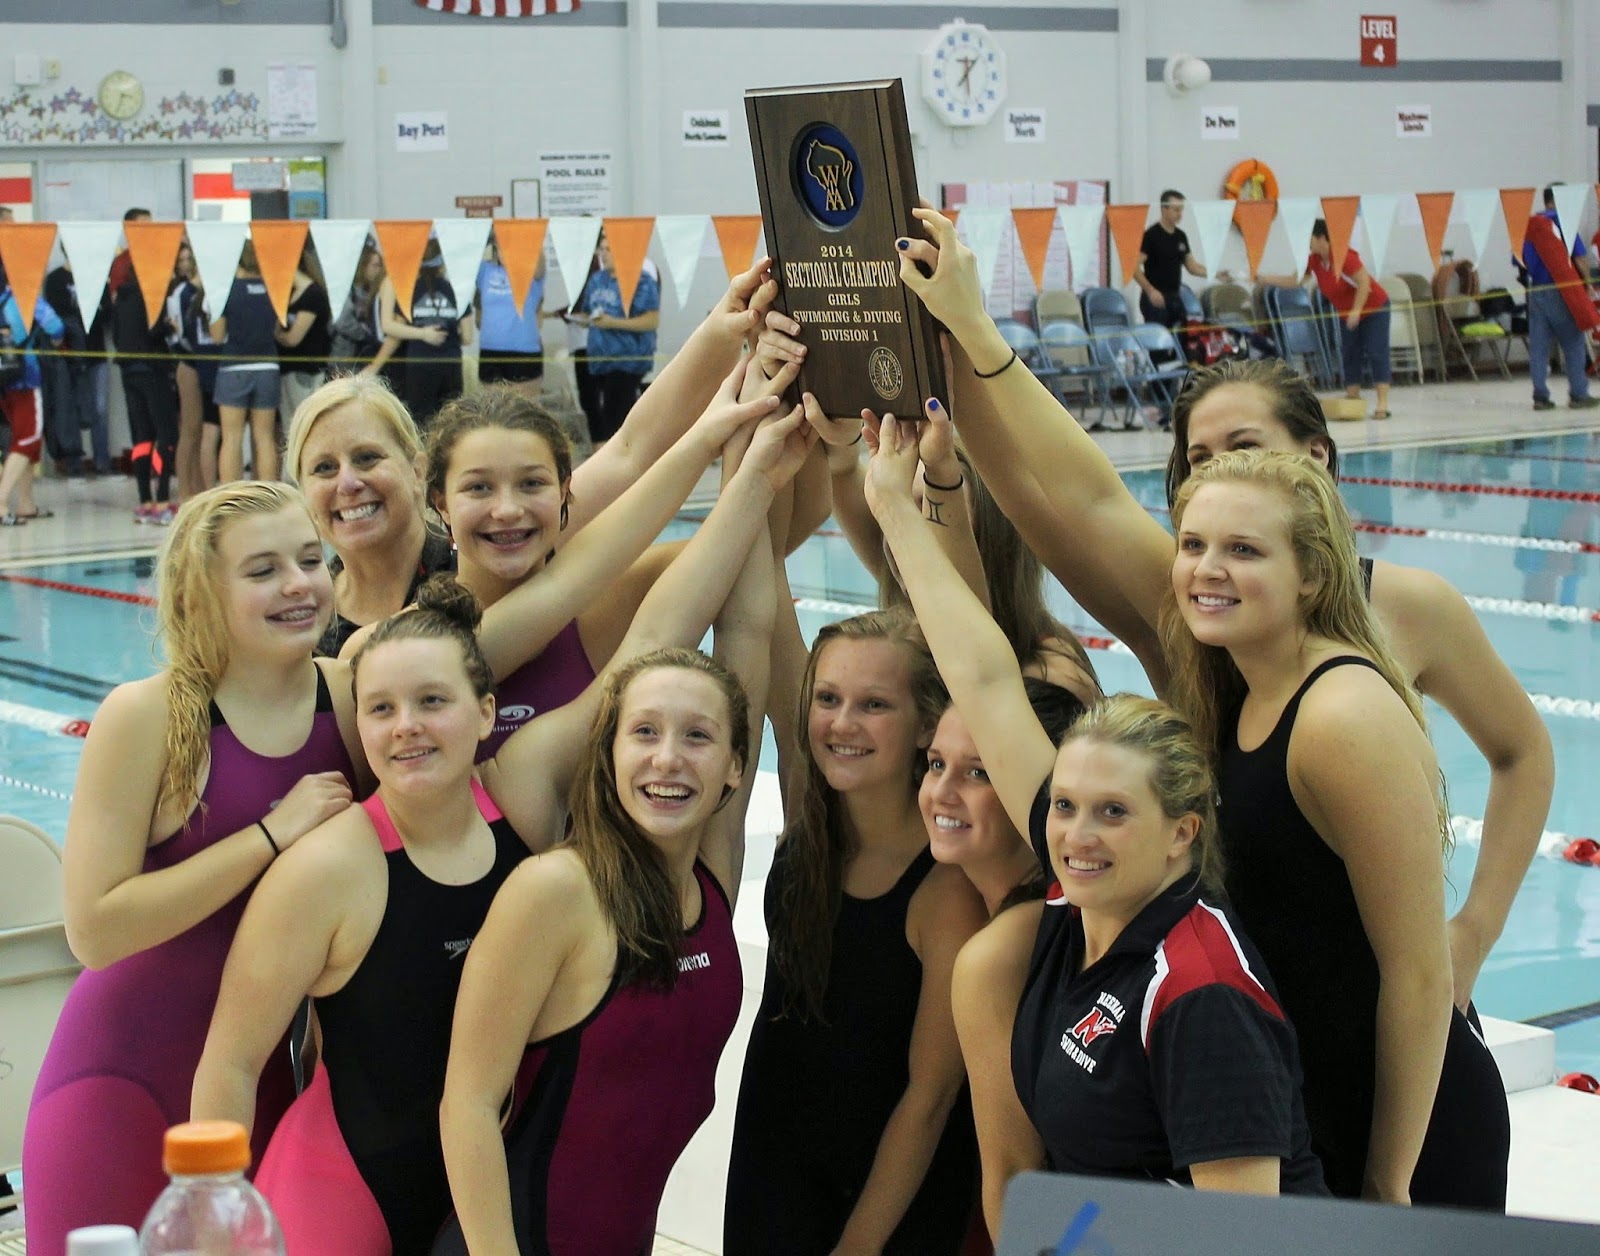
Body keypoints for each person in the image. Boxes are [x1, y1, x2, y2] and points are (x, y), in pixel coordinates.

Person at [895, 209, 1553, 1014]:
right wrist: (958, 350)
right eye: (1199, 459)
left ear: (1315, 457)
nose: (1222, 473)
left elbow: (1523, 752)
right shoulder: (1191, 607)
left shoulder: (1411, 609)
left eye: (1246, 446)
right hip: (1231, 1015)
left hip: (1382, 1015)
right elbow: (1065, 493)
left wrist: (1475, 930)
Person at [197, 399, 810, 1256]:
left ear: (487, 713)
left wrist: (750, 469)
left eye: (435, 703)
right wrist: (215, 1218)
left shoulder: (515, 793)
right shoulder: (329, 868)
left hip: (481, 1181)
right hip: (347, 1190)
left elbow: (657, 641)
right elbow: (230, 1061)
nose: (410, 727)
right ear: (356, 720)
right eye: (384, 709)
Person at [1163, 449, 1511, 1206]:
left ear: (1313, 576)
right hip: (1317, 1106)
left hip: (1403, 1132)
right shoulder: (1238, 688)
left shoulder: (1340, 715)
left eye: (1243, 550)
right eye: (1193, 544)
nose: (1207, 569)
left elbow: (1419, 974)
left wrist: (1389, 1182)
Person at [23, 482, 363, 1251]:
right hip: (115, 1088)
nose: (299, 584)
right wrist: (267, 838)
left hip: (261, 1092)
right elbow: (96, 930)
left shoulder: (349, 701)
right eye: (263, 569)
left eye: (311, 559)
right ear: (203, 592)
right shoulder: (149, 716)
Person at [287, 258, 800, 657]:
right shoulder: (308, 616)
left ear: (419, 471)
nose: (348, 482)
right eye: (324, 469)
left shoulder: (486, 545)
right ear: (301, 488)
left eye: (368, 457)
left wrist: (724, 326)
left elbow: (629, 449)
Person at [724, 580, 988, 1253]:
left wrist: (858, 1245)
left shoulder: (945, 891)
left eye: (874, 705)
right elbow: (762, 624)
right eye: (829, 699)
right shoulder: (810, 822)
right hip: (774, 1157)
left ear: (927, 723)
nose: (842, 724)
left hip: (886, 1190)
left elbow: (931, 1098)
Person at [1258, 218, 1392, 419]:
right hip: (1347, 313)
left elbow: (1364, 283)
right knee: (1349, 352)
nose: (1308, 244)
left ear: (1322, 238)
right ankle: (1352, 399)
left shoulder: (1343, 256)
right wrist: (1263, 278)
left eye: (1310, 239)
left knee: (1376, 351)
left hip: (1374, 308)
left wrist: (1356, 311)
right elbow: (1294, 281)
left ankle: (1382, 404)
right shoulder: (1315, 261)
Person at [110, 239, 180, 521]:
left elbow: (117, 337)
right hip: (154, 369)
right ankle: (163, 501)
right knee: (166, 435)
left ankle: (144, 501)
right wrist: (169, 326)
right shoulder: (153, 296)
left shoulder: (121, 297)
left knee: (141, 437)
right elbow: (153, 333)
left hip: (129, 371)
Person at [572, 231, 660, 446]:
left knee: (616, 420)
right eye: (600, 249)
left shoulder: (641, 280)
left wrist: (613, 323)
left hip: (627, 360)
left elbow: (651, 321)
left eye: (608, 249)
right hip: (598, 360)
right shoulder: (597, 280)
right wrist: (581, 319)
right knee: (597, 416)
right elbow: (588, 312)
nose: (603, 254)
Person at [1520, 186, 1600, 411]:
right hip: (1562, 289)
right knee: (1573, 343)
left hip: (1535, 290)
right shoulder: (1564, 222)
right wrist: (1588, 286)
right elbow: (1580, 258)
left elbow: (1519, 261)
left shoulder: (1529, 226)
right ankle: (1578, 394)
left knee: (1539, 346)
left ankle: (1540, 396)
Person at [381, 238, 473, 429]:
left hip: (419, 364)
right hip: (450, 364)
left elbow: (390, 327)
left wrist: (422, 333)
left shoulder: (410, 291)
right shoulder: (458, 290)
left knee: (420, 422)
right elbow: (468, 337)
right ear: (443, 263)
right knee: (452, 422)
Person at [210, 241, 282, 483]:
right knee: (265, 437)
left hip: (235, 366)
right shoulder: (273, 290)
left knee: (232, 437)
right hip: (268, 366)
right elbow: (276, 330)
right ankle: (270, 498)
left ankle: (232, 499)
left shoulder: (226, 290)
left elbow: (217, 336)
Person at [0, 264, 64, 524]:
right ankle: (1, 502)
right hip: (24, 376)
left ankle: (26, 503)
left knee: (24, 440)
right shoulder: (26, 298)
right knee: (27, 439)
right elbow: (56, 328)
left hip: (3, 381)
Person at [167, 241, 218, 500]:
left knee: (202, 432)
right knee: (190, 431)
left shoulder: (211, 290)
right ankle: (187, 493)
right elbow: (181, 336)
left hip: (207, 365)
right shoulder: (184, 293)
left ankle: (199, 490)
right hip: (190, 364)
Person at [475, 235, 546, 398]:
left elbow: (540, 262)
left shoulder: (530, 273)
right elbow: (466, 256)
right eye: (500, 247)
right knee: (491, 411)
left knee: (525, 412)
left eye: (508, 247)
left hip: (523, 350)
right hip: (490, 350)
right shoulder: (486, 271)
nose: (503, 252)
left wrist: (526, 232)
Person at [1135, 191, 1216, 328]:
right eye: (1176, 210)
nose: (1180, 214)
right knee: (1160, 346)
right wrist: (1150, 291)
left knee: (1182, 340)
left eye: (1181, 210)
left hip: (1174, 297)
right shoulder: (1151, 235)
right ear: (1164, 209)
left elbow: (1192, 267)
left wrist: (1215, 273)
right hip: (1155, 297)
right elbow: (1133, 267)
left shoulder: (1180, 236)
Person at [329, 241, 402, 383]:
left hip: (365, 357)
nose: (379, 270)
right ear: (362, 267)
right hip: (345, 355)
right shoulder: (349, 291)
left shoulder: (375, 291)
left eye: (381, 265)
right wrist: (365, 334)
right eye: (375, 265)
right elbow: (342, 321)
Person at [277, 240, 333, 421]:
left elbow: (293, 338)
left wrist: (274, 332)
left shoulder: (313, 294)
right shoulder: (290, 293)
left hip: (305, 371)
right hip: (287, 370)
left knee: (302, 424)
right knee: (288, 428)